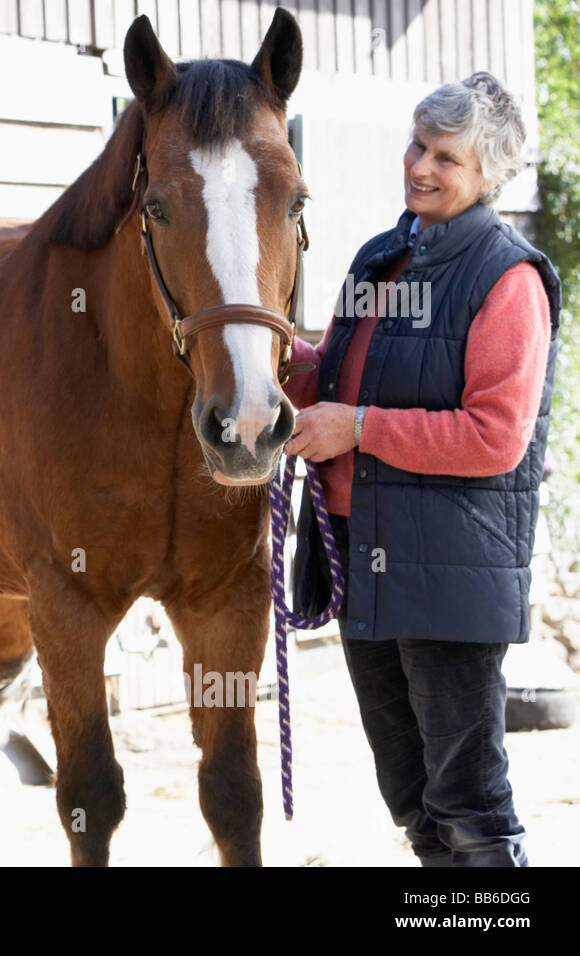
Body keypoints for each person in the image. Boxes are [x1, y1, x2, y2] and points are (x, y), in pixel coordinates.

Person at [284, 72, 560, 867]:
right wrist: (275, 365)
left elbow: (495, 436)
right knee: (411, 798)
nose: (422, 167)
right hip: (359, 551)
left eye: (448, 158)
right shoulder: (382, 254)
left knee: (468, 802)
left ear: (489, 178)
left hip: (446, 574)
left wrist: (358, 428)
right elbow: (335, 375)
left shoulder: (507, 278)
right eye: (418, 145)